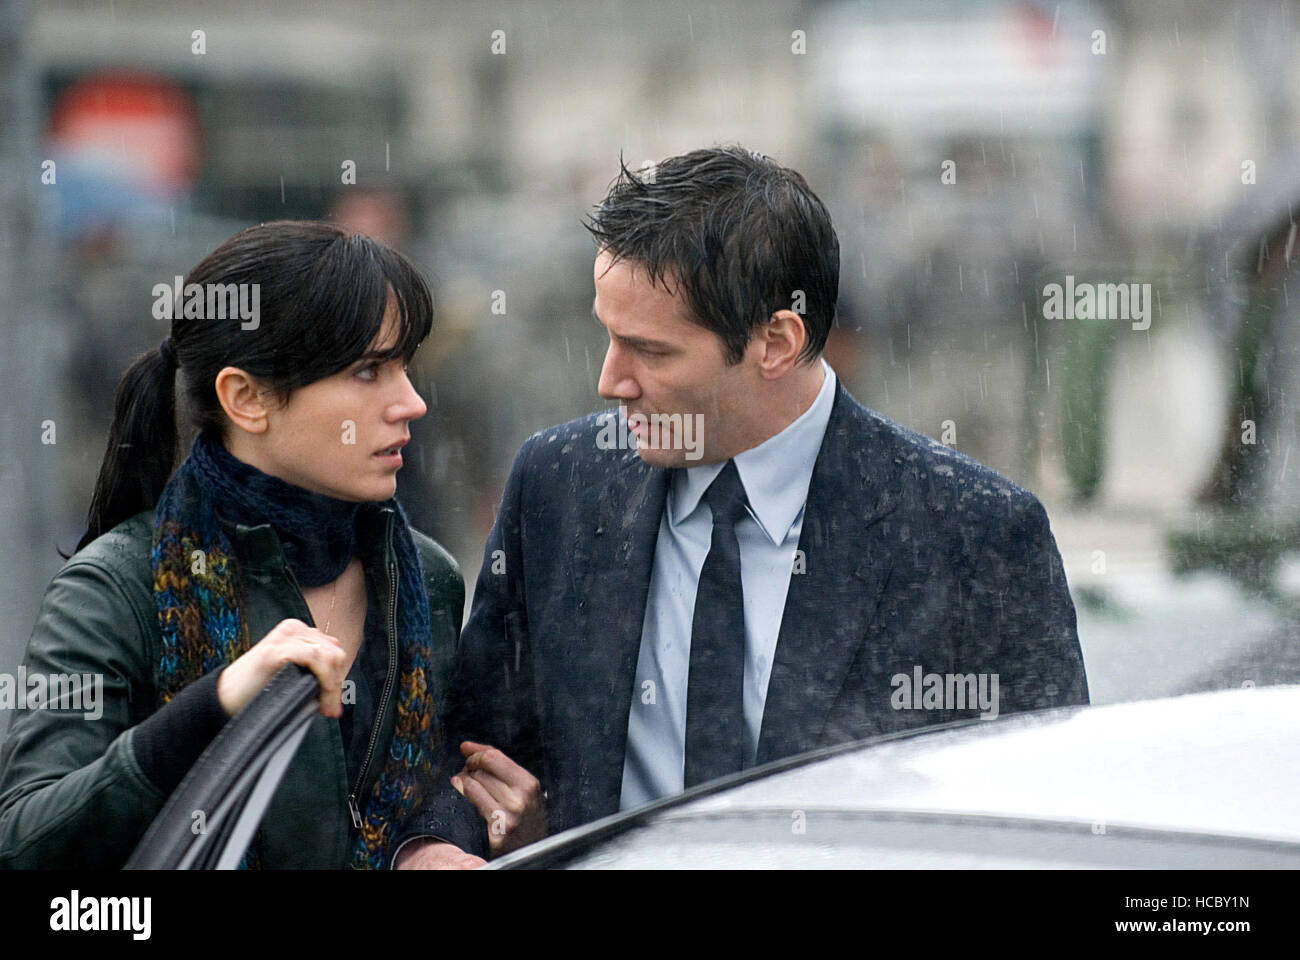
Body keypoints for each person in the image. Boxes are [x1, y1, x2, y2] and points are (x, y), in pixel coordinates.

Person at [430, 146, 1090, 860]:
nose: (609, 380)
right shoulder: (557, 486)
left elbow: (1047, 824)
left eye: (648, 350)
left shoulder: (977, 533)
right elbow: (470, 756)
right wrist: (504, 833)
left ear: (777, 341)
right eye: (607, 336)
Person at [0, 220, 484, 870]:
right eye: (368, 371)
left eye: (405, 367)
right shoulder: (116, 587)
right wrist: (219, 703)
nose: (411, 402)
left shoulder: (427, 575)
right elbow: (27, 842)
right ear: (246, 399)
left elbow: (440, 783)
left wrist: (441, 838)